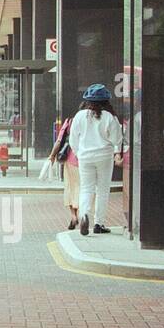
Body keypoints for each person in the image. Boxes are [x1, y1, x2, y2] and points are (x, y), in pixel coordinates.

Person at [68, 82, 124, 237]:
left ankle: (84, 215)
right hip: (104, 157)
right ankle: (99, 223)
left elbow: (73, 139)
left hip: (85, 157)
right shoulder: (110, 117)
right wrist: (117, 152)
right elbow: (117, 139)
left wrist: (79, 153)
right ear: (106, 101)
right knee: (103, 190)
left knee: (86, 188)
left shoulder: (79, 116)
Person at [49, 113, 79, 229]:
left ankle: (73, 216)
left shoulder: (69, 121)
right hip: (85, 161)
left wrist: (52, 155)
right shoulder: (90, 122)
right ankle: (80, 214)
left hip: (70, 161)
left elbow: (59, 141)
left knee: (70, 188)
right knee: (81, 189)